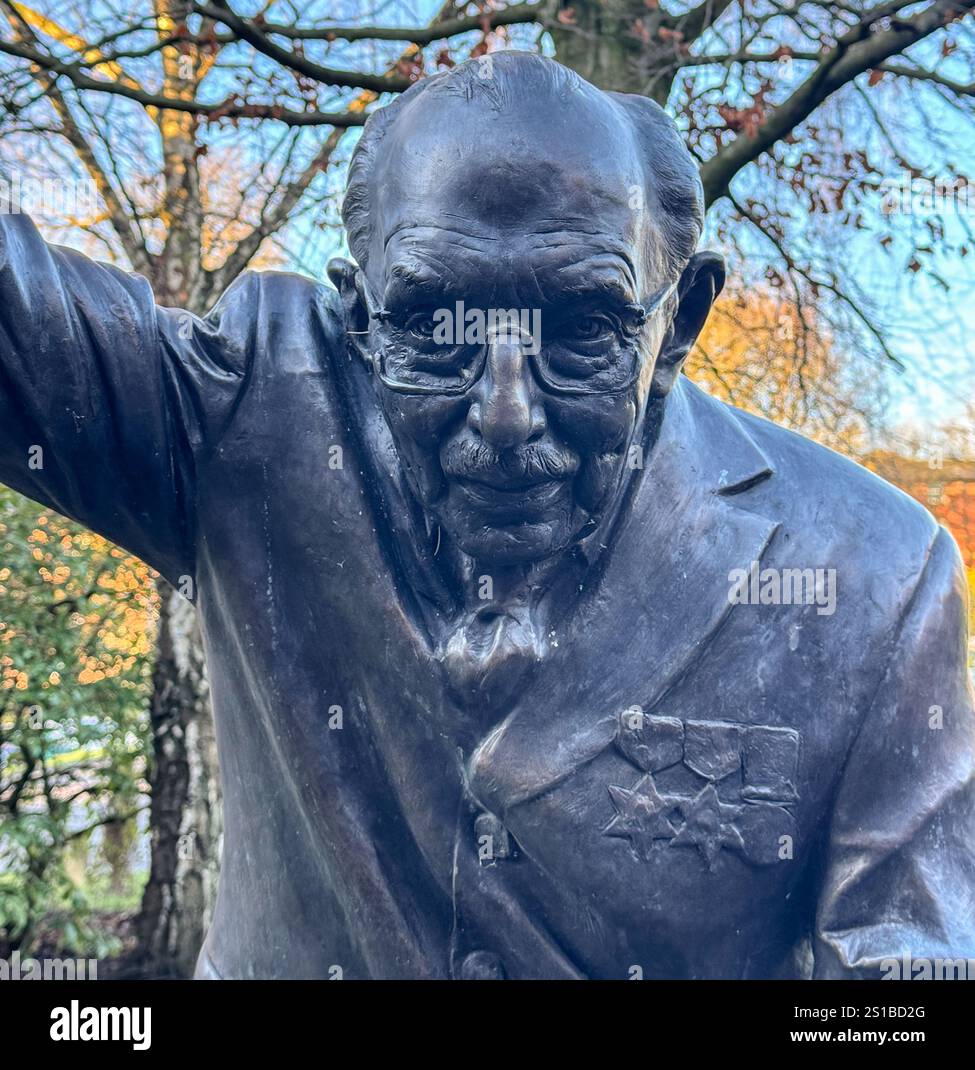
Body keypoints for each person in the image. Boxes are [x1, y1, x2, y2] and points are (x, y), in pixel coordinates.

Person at [1, 52, 972, 979]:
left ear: (678, 320)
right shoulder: (243, 412)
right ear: (359, 317)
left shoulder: (874, 572)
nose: (505, 412)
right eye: (432, 324)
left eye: (583, 325)